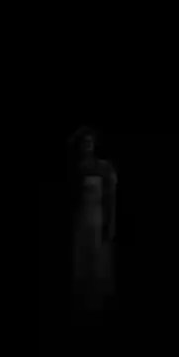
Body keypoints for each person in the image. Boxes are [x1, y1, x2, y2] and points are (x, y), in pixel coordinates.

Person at [68, 127, 117, 318]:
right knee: (82, 259)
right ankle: (82, 304)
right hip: (81, 217)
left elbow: (110, 197)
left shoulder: (102, 167)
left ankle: (95, 305)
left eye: (89, 142)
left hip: (97, 216)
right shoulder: (77, 168)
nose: (87, 146)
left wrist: (110, 222)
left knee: (97, 259)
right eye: (83, 143)